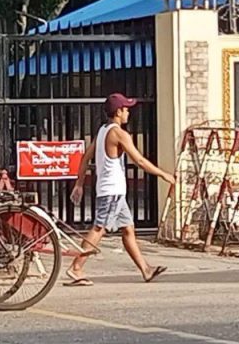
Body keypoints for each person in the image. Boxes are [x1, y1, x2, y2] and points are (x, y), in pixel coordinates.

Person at [66, 92, 174, 286]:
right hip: (112, 191)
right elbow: (139, 160)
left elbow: (85, 158)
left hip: (114, 191)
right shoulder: (118, 133)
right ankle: (76, 267)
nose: (128, 113)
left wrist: (80, 183)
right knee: (99, 228)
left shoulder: (102, 132)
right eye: (126, 109)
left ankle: (145, 269)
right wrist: (163, 174)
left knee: (128, 230)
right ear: (118, 111)